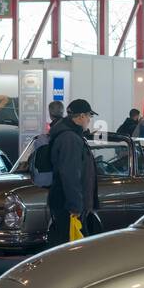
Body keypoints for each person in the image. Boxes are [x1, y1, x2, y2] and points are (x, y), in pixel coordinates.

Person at [47, 98, 100, 246]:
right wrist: (75, 205)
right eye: (89, 116)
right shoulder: (70, 138)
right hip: (68, 206)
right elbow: (70, 174)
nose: (89, 120)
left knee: (75, 247)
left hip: (67, 203)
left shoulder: (71, 135)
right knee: (72, 248)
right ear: (81, 116)